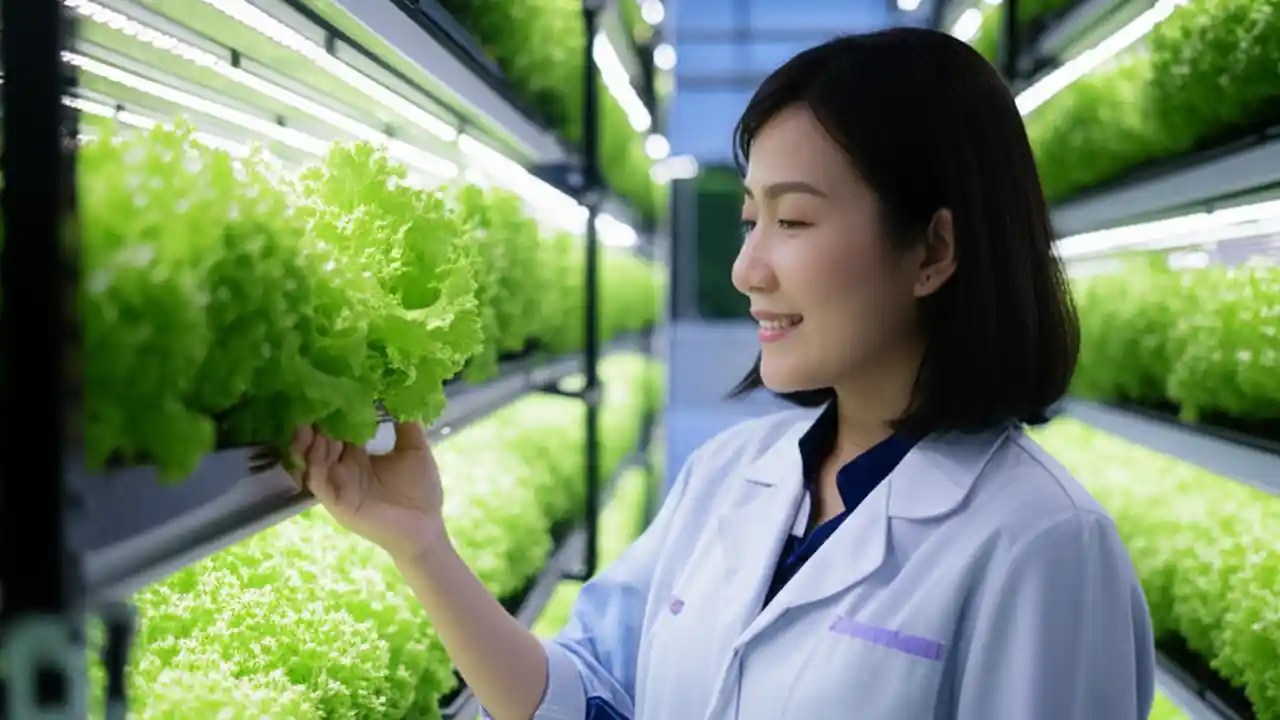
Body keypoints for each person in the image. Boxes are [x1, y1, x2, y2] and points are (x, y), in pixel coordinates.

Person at [292, 27, 1156, 720]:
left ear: (932, 248)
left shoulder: (1045, 545)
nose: (748, 268)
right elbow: (593, 698)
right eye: (751, 218)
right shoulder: (732, 476)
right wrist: (421, 544)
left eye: (794, 220)